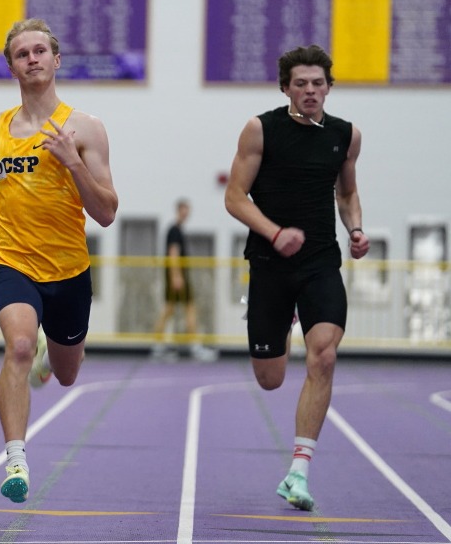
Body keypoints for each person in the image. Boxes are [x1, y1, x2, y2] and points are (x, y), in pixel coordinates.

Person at [0, 18, 118, 505]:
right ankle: (16, 458)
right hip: (10, 259)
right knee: (17, 345)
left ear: (56, 60)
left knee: (66, 372)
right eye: (23, 53)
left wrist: (72, 161)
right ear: (11, 65)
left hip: (68, 269)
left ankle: (47, 360)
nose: (33, 59)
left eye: (41, 51)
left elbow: (106, 213)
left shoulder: (85, 128)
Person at [224, 44, 369, 512]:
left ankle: (299, 470)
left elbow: (347, 193)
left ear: (329, 87)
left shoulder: (346, 136)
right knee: (270, 379)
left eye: (318, 83)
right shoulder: (260, 129)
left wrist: (357, 229)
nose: (310, 91)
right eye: (301, 84)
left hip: (320, 262)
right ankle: (281, 324)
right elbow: (235, 197)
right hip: (270, 264)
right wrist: (275, 233)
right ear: (286, 87)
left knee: (323, 356)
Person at [150, 199, 216, 362]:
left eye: (188, 210)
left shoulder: (178, 230)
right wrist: (176, 277)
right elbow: (173, 255)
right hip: (177, 276)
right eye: (184, 209)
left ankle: (159, 346)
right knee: (186, 309)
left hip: (178, 276)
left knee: (171, 310)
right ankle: (193, 346)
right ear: (178, 210)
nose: (186, 213)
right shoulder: (174, 231)